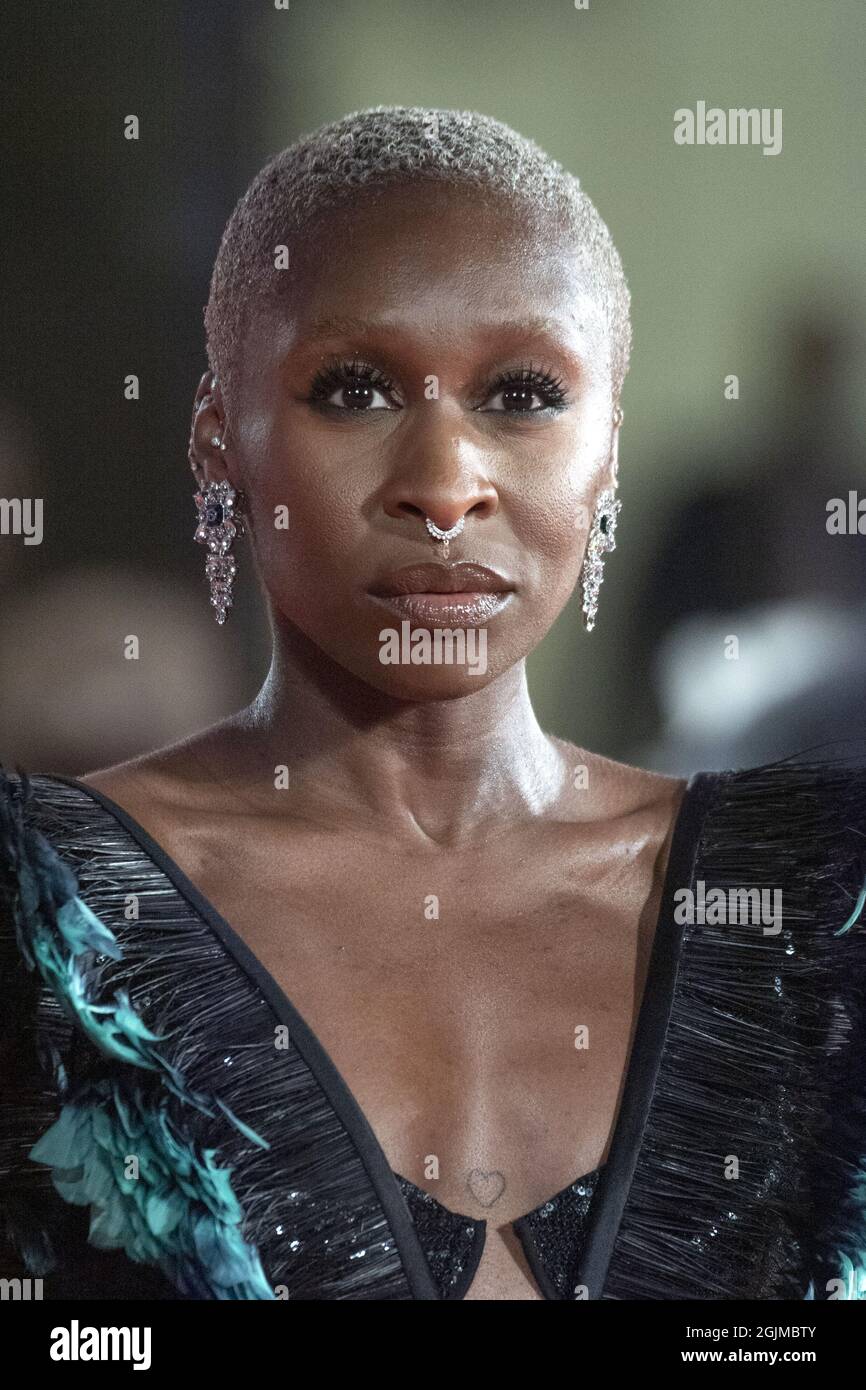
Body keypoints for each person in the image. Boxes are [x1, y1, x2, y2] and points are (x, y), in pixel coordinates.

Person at [1, 107, 864, 1302]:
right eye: (353, 390)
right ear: (219, 447)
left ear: (604, 457)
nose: (446, 485)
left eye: (520, 394)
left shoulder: (827, 902)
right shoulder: (41, 923)